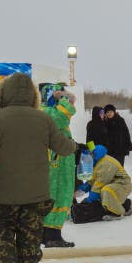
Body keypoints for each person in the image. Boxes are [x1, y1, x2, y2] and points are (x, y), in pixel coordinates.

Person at [0, 73, 76, 263]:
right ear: (32, 95)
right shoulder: (44, 119)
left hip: (3, 194)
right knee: (30, 236)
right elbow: (64, 148)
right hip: (36, 194)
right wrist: (74, 145)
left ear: (3, 94)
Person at [39, 85, 77, 248]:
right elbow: (63, 116)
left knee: (61, 193)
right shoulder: (47, 111)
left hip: (60, 161)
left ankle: (49, 233)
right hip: (55, 163)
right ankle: (51, 235)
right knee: (58, 194)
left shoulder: (48, 111)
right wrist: (64, 98)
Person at [78, 145, 132, 220]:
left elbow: (97, 188)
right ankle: (126, 204)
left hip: (122, 185)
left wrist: (87, 203)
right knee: (104, 197)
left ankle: (117, 213)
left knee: (106, 191)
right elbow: (92, 182)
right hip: (113, 185)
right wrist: (81, 189)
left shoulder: (105, 164)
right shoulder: (97, 162)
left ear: (91, 155)